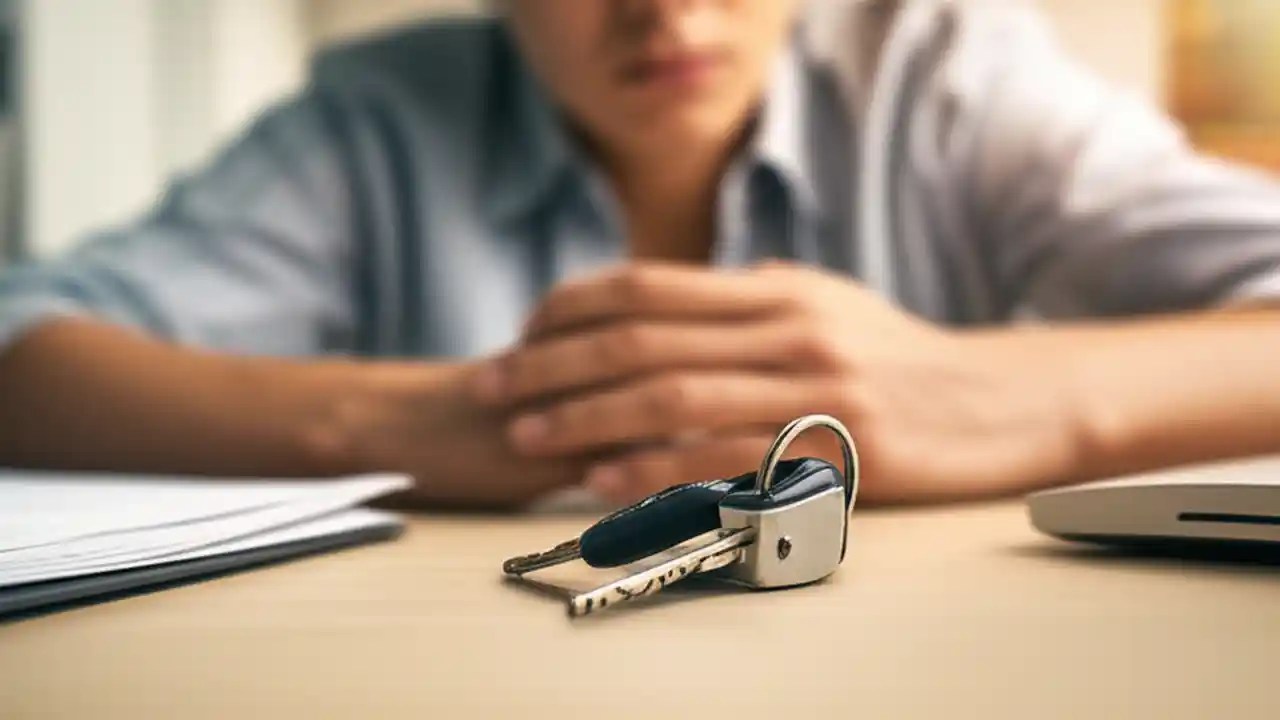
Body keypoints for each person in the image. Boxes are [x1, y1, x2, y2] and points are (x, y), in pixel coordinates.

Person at [1, 0, 1278, 509]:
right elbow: (22, 348)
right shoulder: (375, 117)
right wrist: (393, 422)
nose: (664, 13)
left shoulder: (944, 76)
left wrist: (999, 399)